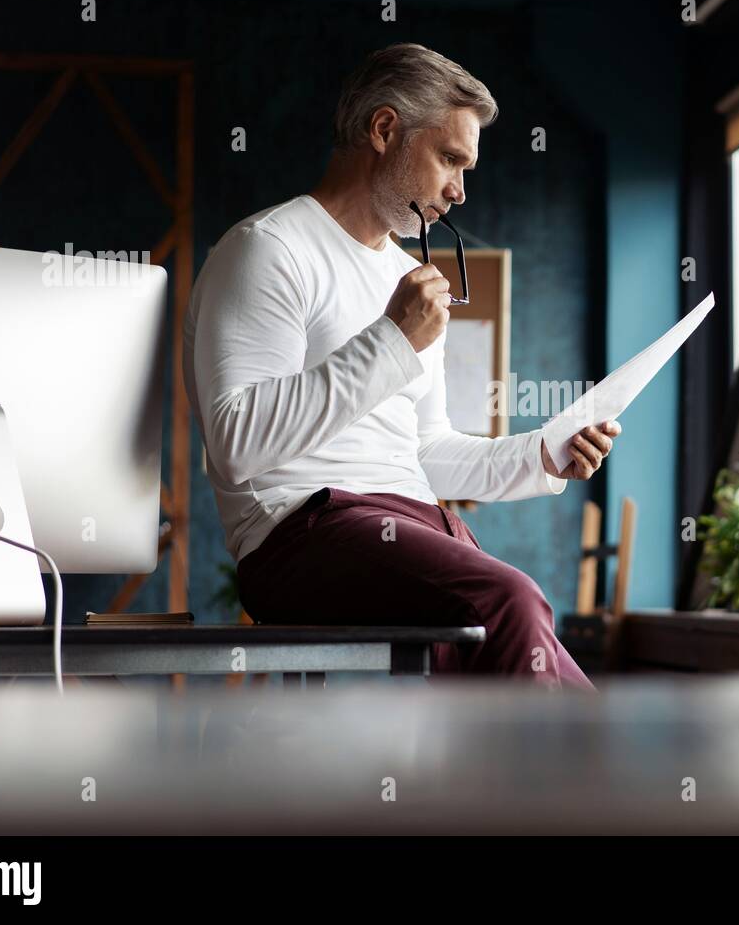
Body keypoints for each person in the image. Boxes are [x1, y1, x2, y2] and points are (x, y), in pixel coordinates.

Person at [182, 44, 617, 690]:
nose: (459, 190)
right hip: (301, 535)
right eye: (449, 159)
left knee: (562, 682)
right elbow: (236, 445)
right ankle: (559, 789)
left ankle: (567, 784)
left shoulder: (404, 276)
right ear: (384, 130)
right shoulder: (267, 248)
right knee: (509, 601)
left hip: (411, 523)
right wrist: (391, 339)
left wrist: (544, 455)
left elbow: (425, 451)